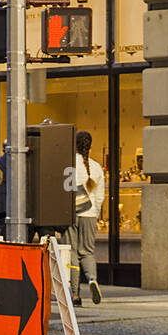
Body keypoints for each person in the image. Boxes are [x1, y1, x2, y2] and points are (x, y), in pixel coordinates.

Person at [63, 130, 106, 306]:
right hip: (89, 214)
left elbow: (65, 191)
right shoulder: (96, 167)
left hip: (70, 215)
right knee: (87, 252)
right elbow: (99, 196)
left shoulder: (68, 166)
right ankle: (92, 279)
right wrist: (94, 215)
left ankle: (74, 294)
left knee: (72, 252)